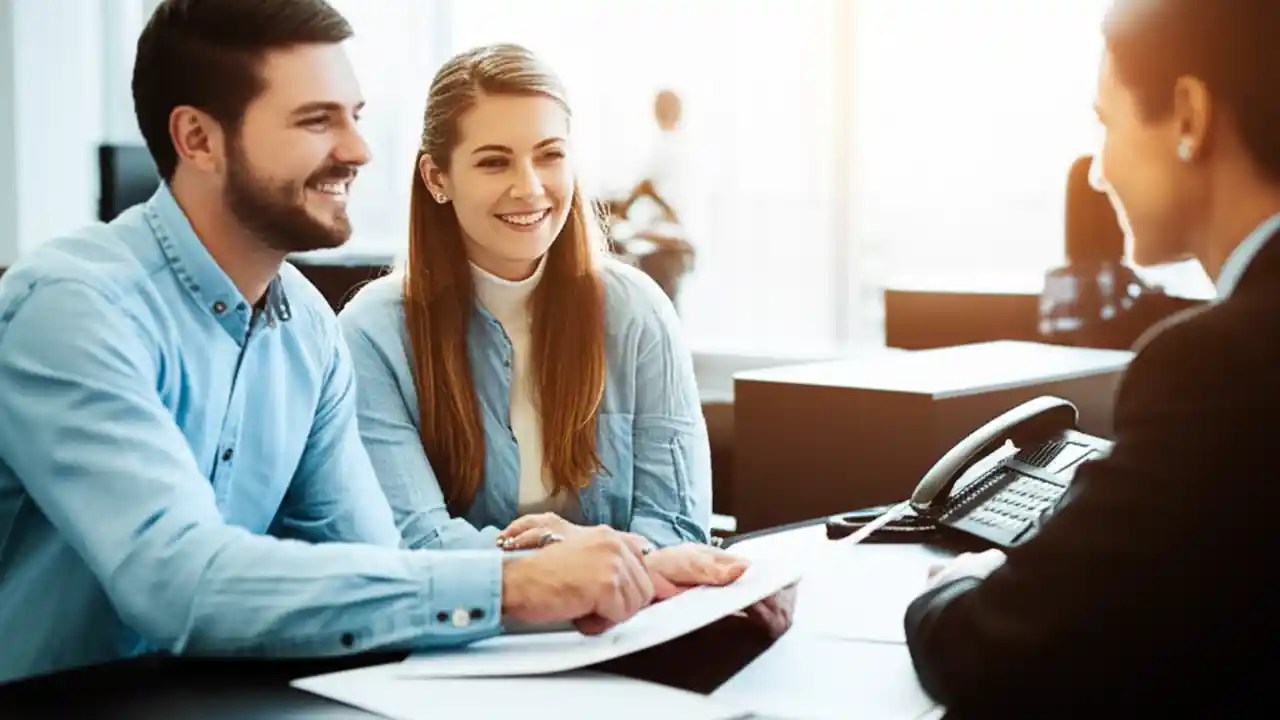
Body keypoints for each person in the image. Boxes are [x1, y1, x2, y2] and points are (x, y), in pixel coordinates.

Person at [0, 0, 746, 685]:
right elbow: (176, 581)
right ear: (198, 138)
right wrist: (520, 582)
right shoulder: (75, 308)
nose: (358, 149)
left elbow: (378, 562)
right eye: (316, 120)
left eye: (354, 115)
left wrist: (627, 568)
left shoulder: (307, 333)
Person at [904, 0, 1280, 715]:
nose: (1100, 173)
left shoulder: (1216, 367)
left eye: (1104, 123)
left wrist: (952, 588)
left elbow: (990, 655)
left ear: (1190, 116)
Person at [338, 45, 712, 554]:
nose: (531, 188)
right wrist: (571, 567)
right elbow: (417, 544)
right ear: (436, 178)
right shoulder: (373, 333)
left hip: (633, 627)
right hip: (465, 633)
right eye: (494, 162)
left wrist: (585, 572)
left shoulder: (637, 312)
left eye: (550, 155)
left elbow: (677, 530)